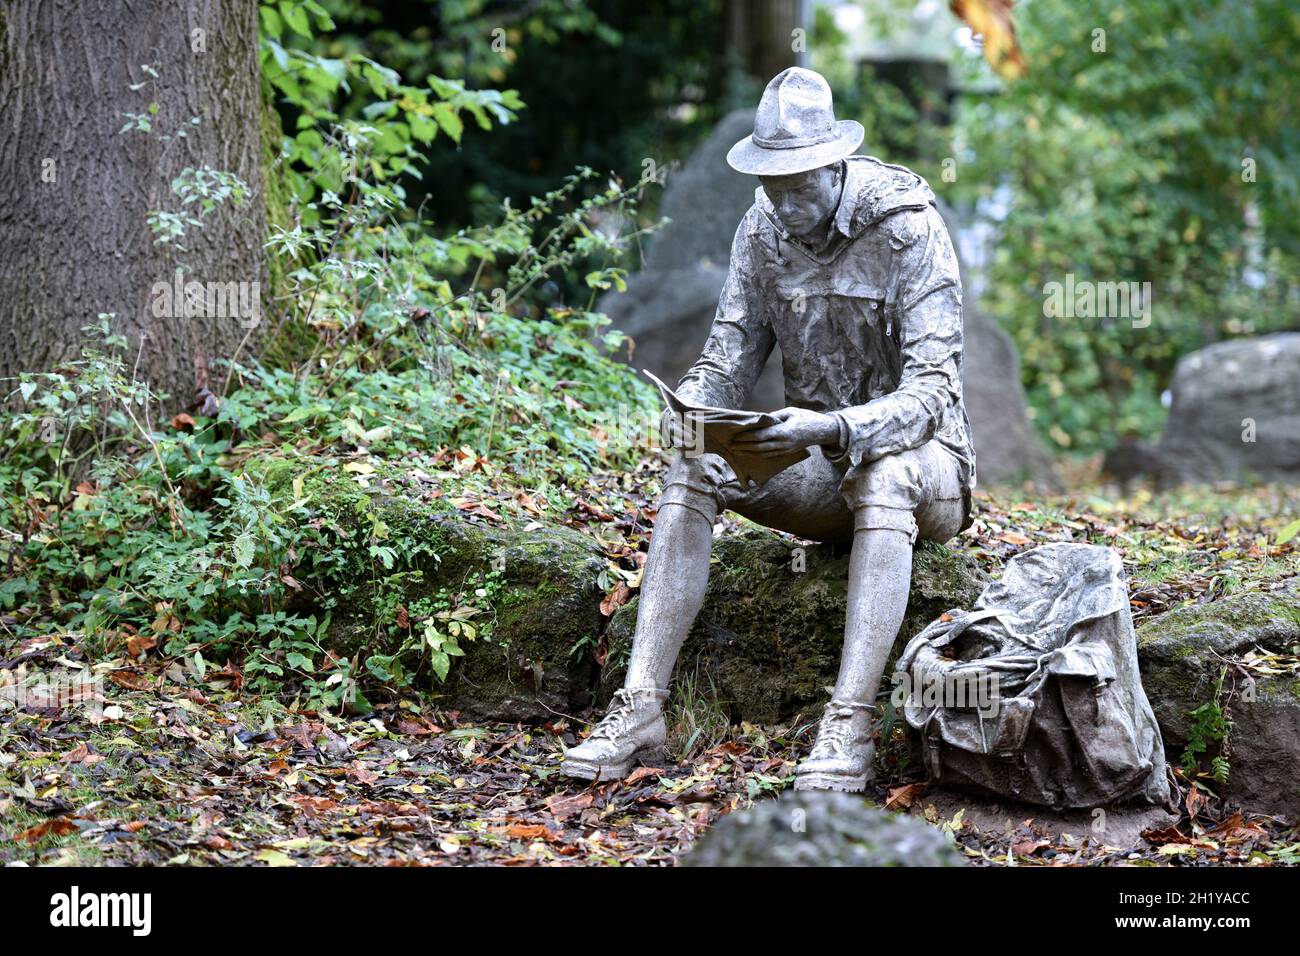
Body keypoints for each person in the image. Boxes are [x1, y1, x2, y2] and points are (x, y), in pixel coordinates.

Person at [561, 67, 976, 792]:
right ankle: (640, 707)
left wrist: (833, 426)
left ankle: (847, 723)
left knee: (885, 471)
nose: (784, 201)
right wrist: (696, 419)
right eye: (772, 183)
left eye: (798, 184)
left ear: (834, 165)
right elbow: (724, 359)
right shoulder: (761, 228)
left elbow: (931, 394)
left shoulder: (909, 228)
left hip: (925, 468)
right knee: (689, 463)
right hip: (814, 465)